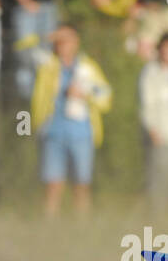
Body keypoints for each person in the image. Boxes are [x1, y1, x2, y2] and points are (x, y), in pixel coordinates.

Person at [31, 25, 111, 217]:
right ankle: (48, 229)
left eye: (68, 40)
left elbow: (106, 97)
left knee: (81, 185)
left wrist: (85, 94)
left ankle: (81, 230)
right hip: (53, 132)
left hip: (81, 134)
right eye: (60, 41)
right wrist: (46, 36)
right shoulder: (47, 65)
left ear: (76, 43)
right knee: (52, 185)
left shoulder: (88, 68)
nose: (63, 45)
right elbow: (24, 47)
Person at [138, 33, 168, 213]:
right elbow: (146, 103)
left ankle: (160, 210)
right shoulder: (150, 72)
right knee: (155, 175)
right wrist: (152, 129)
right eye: (166, 49)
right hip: (156, 133)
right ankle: (153, 213)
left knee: (165, 175)